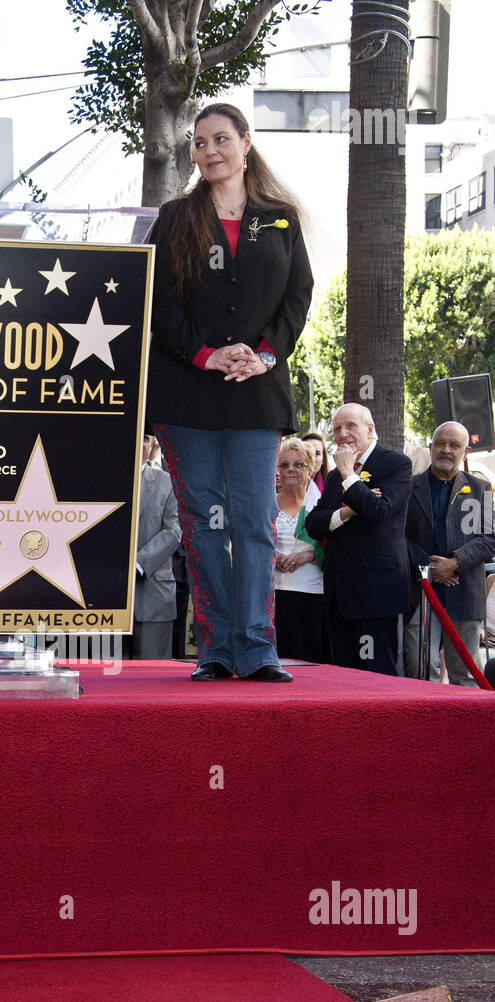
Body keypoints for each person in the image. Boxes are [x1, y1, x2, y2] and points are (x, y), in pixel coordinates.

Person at [148, 102, 313, 683]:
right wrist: (205, 353)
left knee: (253, 521)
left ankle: (257, 646)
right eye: (199, 143)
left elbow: (298, 298)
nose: (209, 151)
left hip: (256, 395)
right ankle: (216, 647)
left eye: (221, 139)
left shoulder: (282, 218)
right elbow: (157, 301)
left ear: (246, 142)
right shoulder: (174, 218)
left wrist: (264, 354)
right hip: (188, 393)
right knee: (203, 522)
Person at [306, 403, 412, 677]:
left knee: (376, 674)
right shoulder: (333, 476)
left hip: (376, 593)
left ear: (370, 429)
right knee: (341, 675)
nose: (343, 434)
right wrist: (346, 511)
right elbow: (314, 525)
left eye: (350, 426)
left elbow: (378, 511)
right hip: (339, 591)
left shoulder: (395, 464)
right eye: (337, 428)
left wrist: (349, 476)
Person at [404, 421, 495, 684]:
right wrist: (429, 567)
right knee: (419, 669)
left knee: (464, 674)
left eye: (454, 445)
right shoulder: (410, 487)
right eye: (440, 444)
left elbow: (490, 537)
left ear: (465, 451)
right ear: (430, 447)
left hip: (464, 591)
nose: (446, 450)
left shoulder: (481, 488)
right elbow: (399, 536)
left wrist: (455, 562)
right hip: (420, 591)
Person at [273, 437, 324, 663]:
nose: (291, 469)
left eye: (298, 464)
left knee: (307, 660)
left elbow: (335, 548)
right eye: (285, 464)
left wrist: (308, 556)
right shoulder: (268, 505)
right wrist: (271, 557)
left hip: (311, 593)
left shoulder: (321, 506)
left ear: (310, 470)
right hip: (272, 594)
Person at [132, 435, 182, 659]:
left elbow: (174, 530)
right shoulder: (99, 479)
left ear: (152, 444)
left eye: (144, 438)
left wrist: (138, 564)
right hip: (106, 602)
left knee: (151, 676)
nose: (137, 442)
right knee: (106, 678)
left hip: (152, 593)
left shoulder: (168, 482)